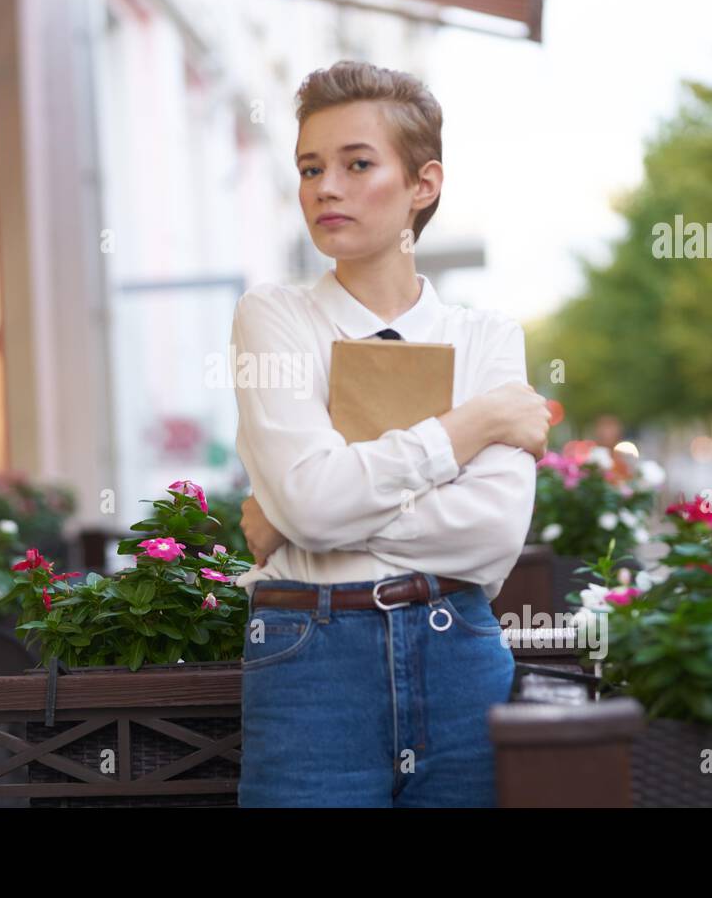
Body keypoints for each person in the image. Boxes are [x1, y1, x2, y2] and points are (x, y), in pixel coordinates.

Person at [229, 60, 549, 807]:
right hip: (310, 663)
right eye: (310, 167)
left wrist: (304, 516)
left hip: (461, 652)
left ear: (423, 185)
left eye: (357, 163)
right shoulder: (273, 318)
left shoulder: (489, 337)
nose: (325, 187)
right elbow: (310, 501)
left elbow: (491, 531)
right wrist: (470, 425)